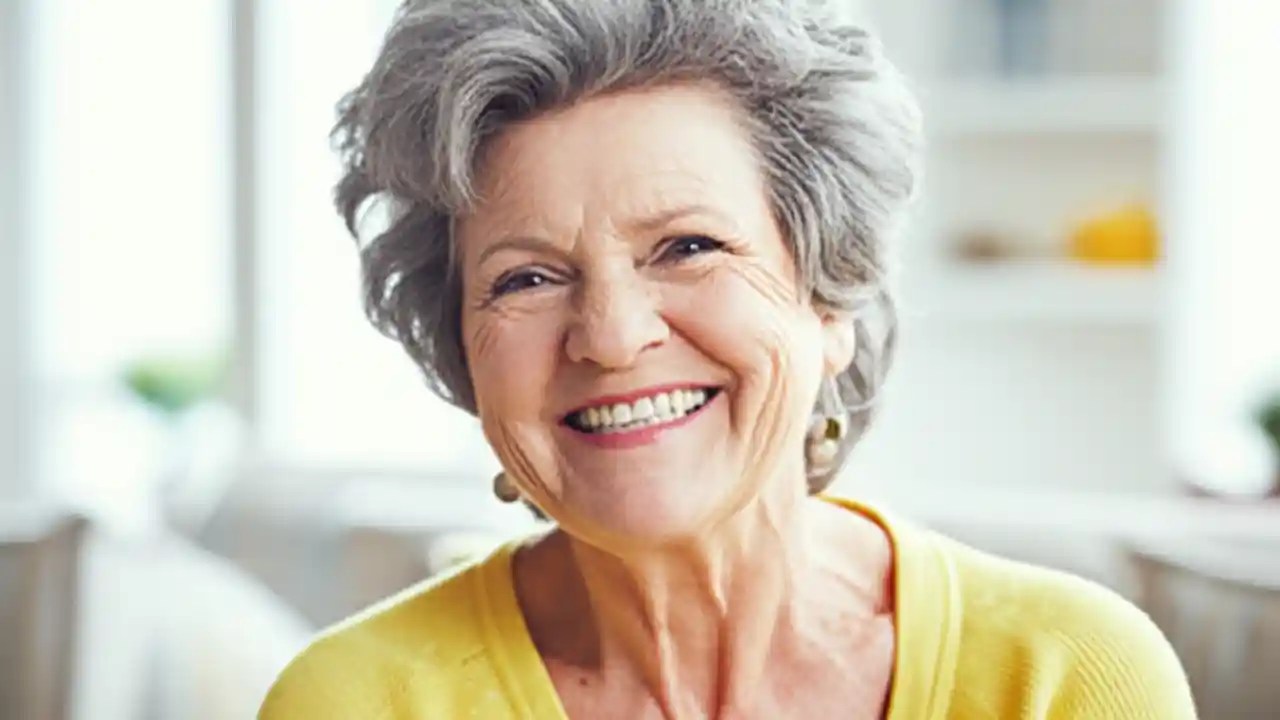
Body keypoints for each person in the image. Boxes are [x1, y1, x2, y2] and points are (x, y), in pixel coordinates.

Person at [259, 1, 1196, 717]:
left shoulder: (1069, 676)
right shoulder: (357, 700)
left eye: (689, 247)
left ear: (831, 298)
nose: (613, 336)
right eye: (529, 279)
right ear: (463, 354)